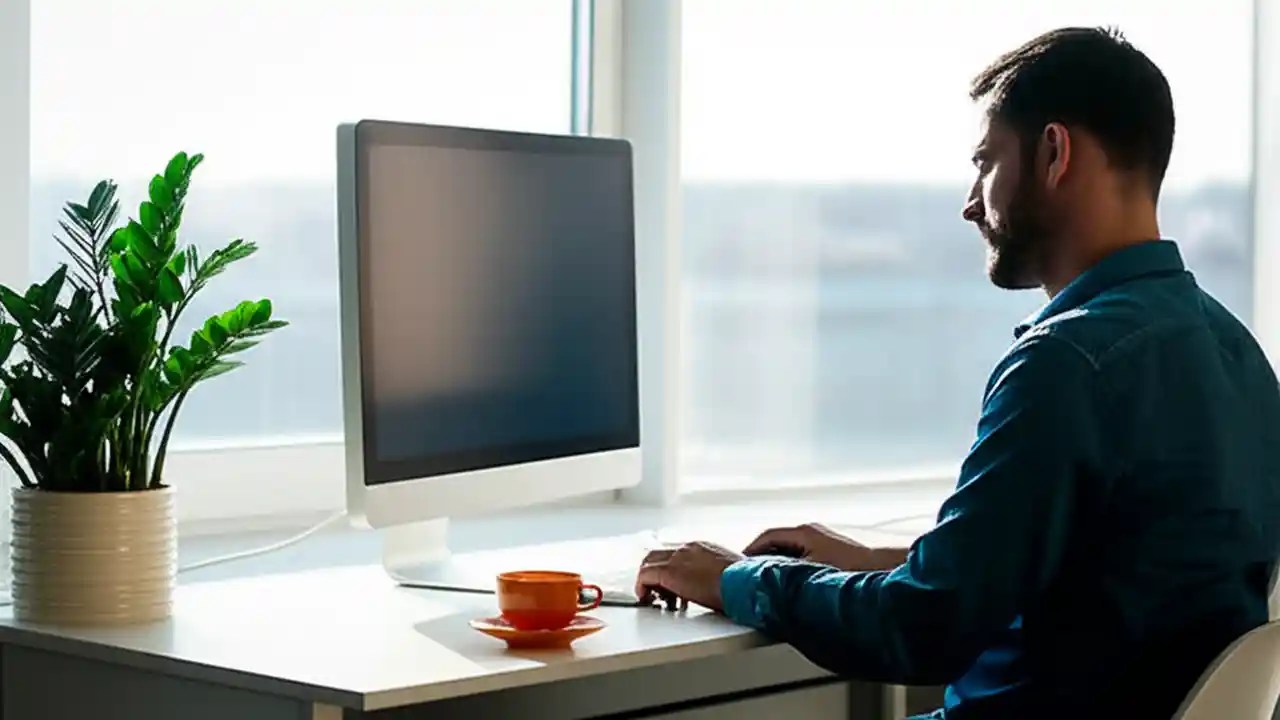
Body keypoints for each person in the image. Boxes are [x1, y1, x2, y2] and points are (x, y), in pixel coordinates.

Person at [634, 26, 1280, 720]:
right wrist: (880, 558)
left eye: (985, 162)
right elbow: (1104, 577)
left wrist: (738, 580)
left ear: (1055, 153)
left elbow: (922, 630)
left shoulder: (1065, 364)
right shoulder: (1240, 354)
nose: (971, 201)